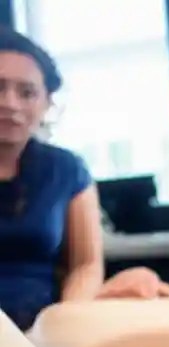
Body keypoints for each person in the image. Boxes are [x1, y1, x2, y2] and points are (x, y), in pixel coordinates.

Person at [0, 28, 103, 330]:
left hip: (43, 330)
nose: (10, 103)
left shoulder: (66, 168)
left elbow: (86, 264)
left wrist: (67, 322)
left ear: (46, 104)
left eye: (27, 92)